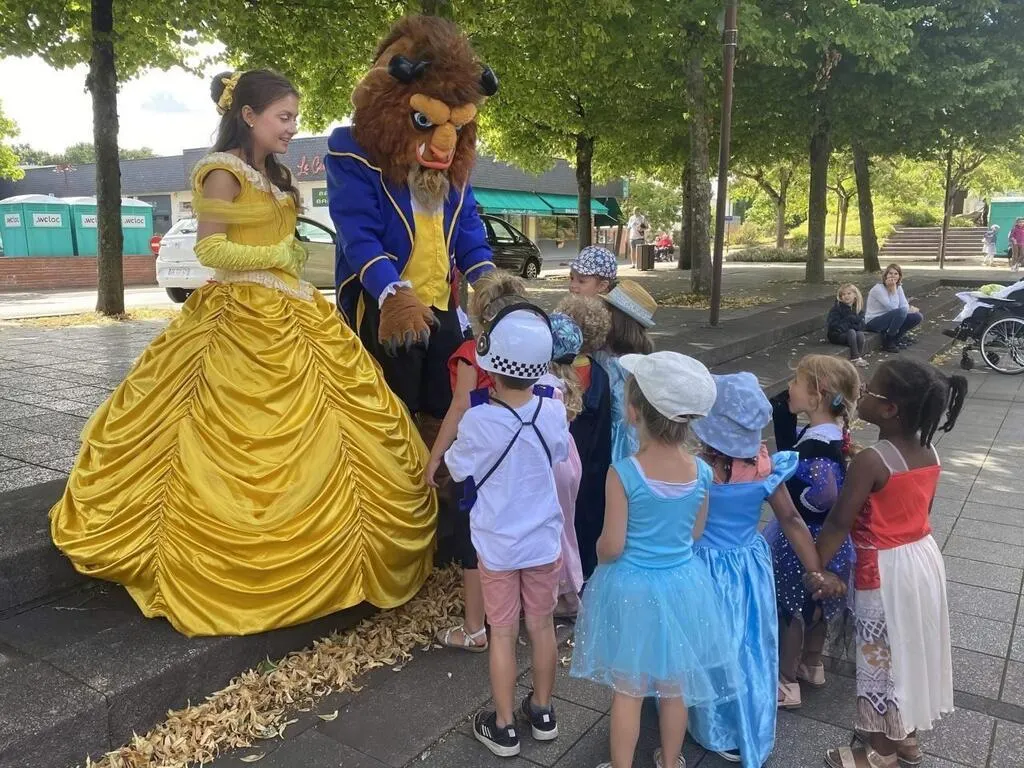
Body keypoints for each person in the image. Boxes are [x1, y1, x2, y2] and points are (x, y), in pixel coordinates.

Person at [49, 70, 437, 637]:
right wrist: (276, 253)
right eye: (284, 117)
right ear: (249, 116)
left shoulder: (275, 175)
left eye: (295, 117)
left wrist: (287, 254)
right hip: (237, 311)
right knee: (213, 424)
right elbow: (210, 248)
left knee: (339, 420)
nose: (292, 127)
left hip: (293, 309)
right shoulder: (221, 172)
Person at [570, 351, 740, 768]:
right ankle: (670, 759)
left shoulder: (624, 473)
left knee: (628, 690)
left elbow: (612, 544)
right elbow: (695, 533)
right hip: (683, 583)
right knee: (674, 684)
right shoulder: (701, 472)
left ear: (633, 411)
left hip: (632, 585)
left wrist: (597, 552)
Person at [689, 372, 844, 767]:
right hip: (748, 564)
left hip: (705, 565)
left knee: (708, 639)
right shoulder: (763, 466)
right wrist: (816, 569)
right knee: (747, 640)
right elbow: (792, 519)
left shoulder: (698, 469)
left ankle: (711, 716)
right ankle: (743, 709)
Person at [817, 359, 965, 768]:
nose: (861, 393)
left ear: (889, 409)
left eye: (869, 390)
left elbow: (839, 521)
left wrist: (817, 566)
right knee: (910, 649)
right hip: (922, 560)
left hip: (883, 570)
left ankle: (880, 752)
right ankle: (907, 739)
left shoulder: (872, 460)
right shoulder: (930, 450)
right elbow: (921, 511)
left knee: (879, 658)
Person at [444, 306, 569, 758]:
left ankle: (503, 727)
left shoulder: (478, 420)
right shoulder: (553, 411)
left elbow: (458, 467)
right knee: (541, 625)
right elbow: (558, 454)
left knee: (501, 632)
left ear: (490, 366)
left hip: (497, 547)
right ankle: (543, 711)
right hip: (543, 542)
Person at [427, 270, 528, 652]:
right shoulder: (526, 350)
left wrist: (435, 456)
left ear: (479, 312)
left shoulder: (472, 354)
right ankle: (509, 610)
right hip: (516, 451)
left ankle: (474, 628)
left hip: (480, 459)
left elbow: (459, 408)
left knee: (473, 538)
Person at [766, 355, 859, 709]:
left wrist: (794, 494)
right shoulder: (827, 432)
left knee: (794, 608)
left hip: (806, 538)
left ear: (817, 394)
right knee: (817, 604)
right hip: (828, 539)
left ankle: (787, 681)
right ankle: (812, 663)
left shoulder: (818, 448)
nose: (788, 387)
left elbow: (824, 493)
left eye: (795, 382)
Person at [556, 294, 613, 580]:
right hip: (591, 462)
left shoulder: (554, 372)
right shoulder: (599, 375)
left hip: (560, 462)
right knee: (585, 518)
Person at [540, 313, 587, 616]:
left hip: (551, 460)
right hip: (569, 458)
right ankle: (569, 589)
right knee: (566, 525)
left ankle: (561, 594)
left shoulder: (544, 386)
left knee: (553, 527)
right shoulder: (569, 382)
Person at [595, 279, 657, 463]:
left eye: (607, 310)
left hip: (614, 444)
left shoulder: (612, 363)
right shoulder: (645, 360)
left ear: (617, 319)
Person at [864, 264, 923, 352]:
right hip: (874, 321)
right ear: (886, 275)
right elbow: (893, 308)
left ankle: (897, 338)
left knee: (917, 316)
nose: (893, 276)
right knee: (901, 312)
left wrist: (910, 309)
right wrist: (893, 291)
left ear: (899, 276)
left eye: (896, 274)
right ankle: (889, 340)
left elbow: (904, 305)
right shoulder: (878, 289)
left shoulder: (899, 287)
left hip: (890, 318)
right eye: (890, 273)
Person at [827, 283, 869, 367]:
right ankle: (855, 358)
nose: (846, 296)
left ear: (855, 295)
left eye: (849, 293)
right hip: (837, 334)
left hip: (851, 335)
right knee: (851, 332)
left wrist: (853, 324)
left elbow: (861, 326)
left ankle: (859, 356)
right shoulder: (837, 308)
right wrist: (849, 322)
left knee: (860, 334)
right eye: (843, 294)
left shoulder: (857, 309)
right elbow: (833, 325)